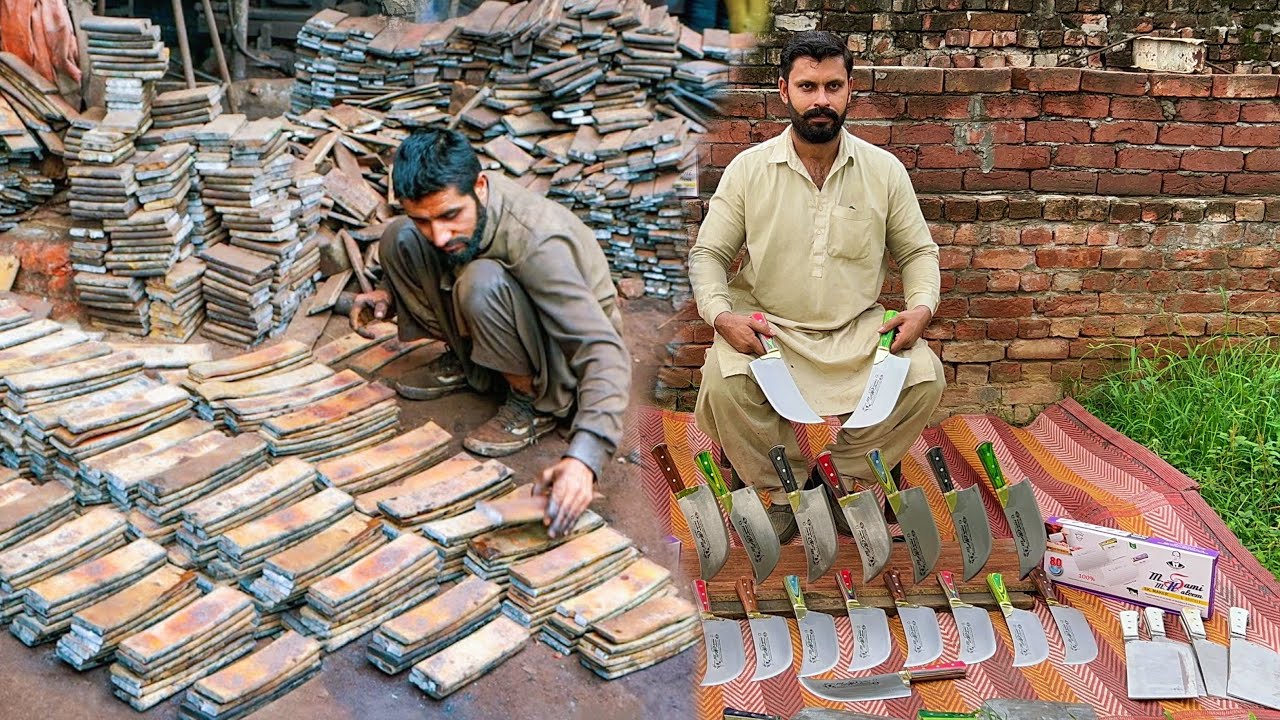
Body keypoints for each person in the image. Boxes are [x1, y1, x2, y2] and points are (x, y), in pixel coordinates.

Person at [688, 30, 947, 543]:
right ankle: (785, 491)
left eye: (833, 86)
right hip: (769, 329)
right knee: (723, 380)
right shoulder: (749, 170)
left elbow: (918, 253)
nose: (821, 100)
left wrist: (921, 308)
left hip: (856, 331)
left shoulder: (884, 171)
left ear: (851, 89)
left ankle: (835, 481)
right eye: (808, 87)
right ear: (784, 91)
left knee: (924, 376)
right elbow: (708, 256)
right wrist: (722, 316)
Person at [349, 129, 631, 537]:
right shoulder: (443, 224)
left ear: (480, 186)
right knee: (399, 238)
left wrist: (585, 459)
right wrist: (389, 296)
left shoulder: (537, 240)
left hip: (559, 361)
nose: (439, 234)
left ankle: (531, 404)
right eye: (424, 218)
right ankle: (470, 364)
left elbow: (603, 350)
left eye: (449, 215)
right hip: (505, 322)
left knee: (481, 280)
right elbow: (429, 238)